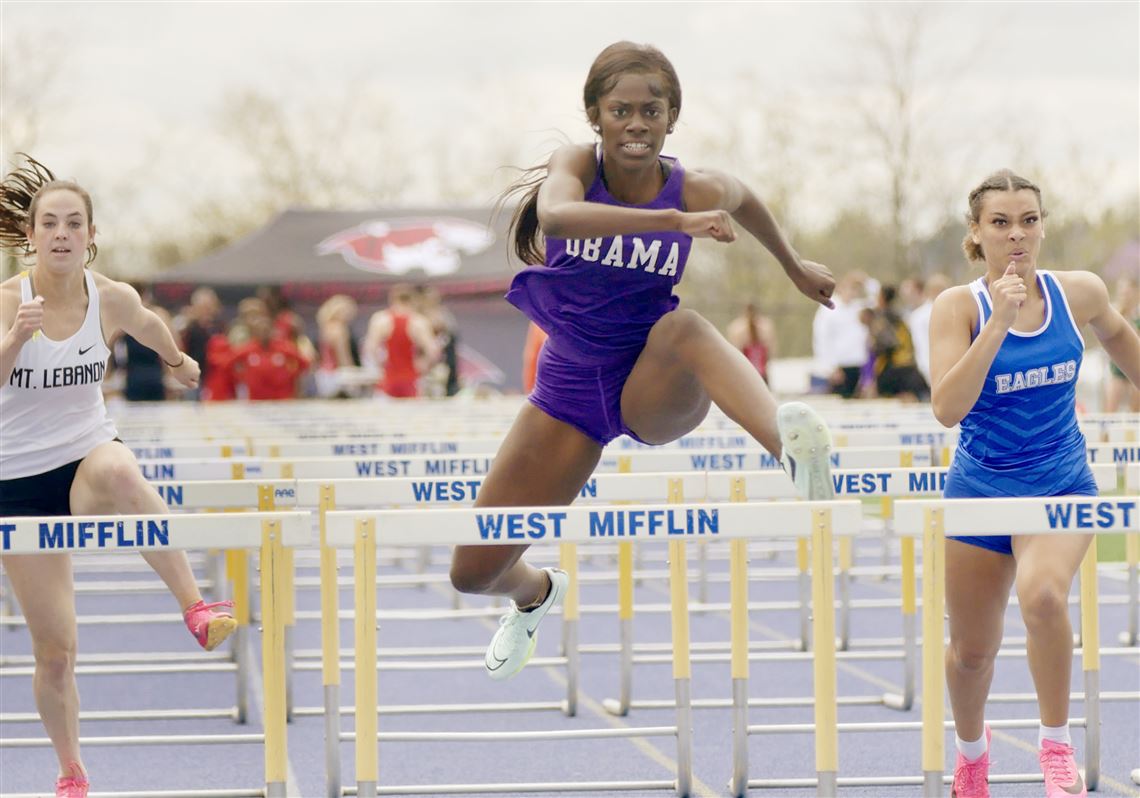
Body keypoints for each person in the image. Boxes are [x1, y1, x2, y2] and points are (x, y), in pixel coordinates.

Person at [449, 41, 837, 682]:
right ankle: (536, 593)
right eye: (621, 111)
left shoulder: (697, 184)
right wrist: (673, 222)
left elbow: (745, 199)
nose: (636, 124)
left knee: (682, 325)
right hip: (567, 397)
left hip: (650, 385)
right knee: (472, 572)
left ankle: (790, 448)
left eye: (651, 111)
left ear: (671, 117)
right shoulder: (576, 165)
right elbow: (558, 215)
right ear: (596, 117)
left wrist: (795, 267)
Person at [0, 156, 236, 797]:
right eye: (49, 223)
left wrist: (179, 360)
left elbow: (148, 325)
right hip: (18, 484)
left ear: (90, 236)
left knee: (125, 471)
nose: (61, 234)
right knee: (57, 651)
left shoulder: (110, 296)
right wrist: (13, 345)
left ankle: (195, 605)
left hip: (85, 457)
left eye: (73, 223)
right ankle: (71, 770)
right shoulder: (5, 304)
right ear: (31, 236)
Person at [929, 169, 1140, 798]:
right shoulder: (957, 307)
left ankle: (1054, 745)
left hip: (1062, 487)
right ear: (976, 234)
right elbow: (947, 408)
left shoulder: (1080, 294)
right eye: (1000, 223)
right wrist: (998, 321)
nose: (1017, 235)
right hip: (981, 493)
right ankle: (972, 754)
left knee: (1044, 597)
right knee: (971, 651)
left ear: (1043, 226)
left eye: (1029, 220)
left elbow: (1126, 348)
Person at [363, 283, 440, 398]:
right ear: (413, 300)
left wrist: (380, 364)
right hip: (411, 379)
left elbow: (370, 348)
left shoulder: (380, 319)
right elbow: (433, 350)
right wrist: (423, 365)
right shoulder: (418, 321)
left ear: (392, 299)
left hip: (388, 379)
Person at [866, 284, 929, 401]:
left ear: (882, 298)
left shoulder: (881, 320)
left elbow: (887, 345)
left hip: (892, 370)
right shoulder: (902, 317)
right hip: (908, 368)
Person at [314, 293, 361, 398]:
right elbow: (343, 355)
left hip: (324, 374)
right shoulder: (339, 329)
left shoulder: (326, 327)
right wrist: (351, 373)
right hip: (337, 375)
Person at [1103, 276, 1139, 412]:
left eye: (1128, 292)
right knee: (1110, 409)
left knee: (1135, 410)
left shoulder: (1137, 315)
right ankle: (1105, 433)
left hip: (1135, 367)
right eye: (1123, 293)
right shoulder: (1114, 312)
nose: (1125, 296)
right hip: (1117, 370)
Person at [725, 301, 776, 382]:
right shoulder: (738, 328)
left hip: (759, 371)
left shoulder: (764, 327)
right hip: (747, 371)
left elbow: (769, 348)